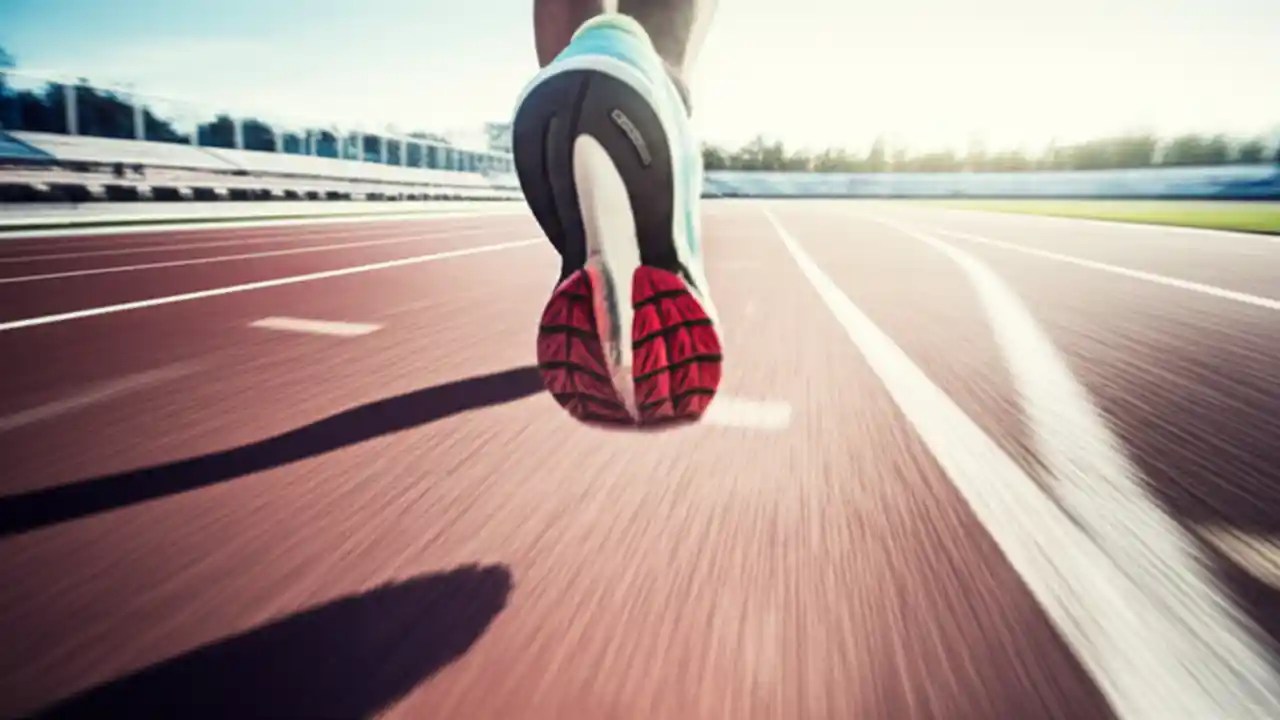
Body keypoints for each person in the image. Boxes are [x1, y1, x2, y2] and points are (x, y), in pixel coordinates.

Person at [514, 0, 722, 427]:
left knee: (585, 45)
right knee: (659, 48)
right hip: (637, 97)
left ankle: (585, 58)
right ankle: (652, 79)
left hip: (548, 101)